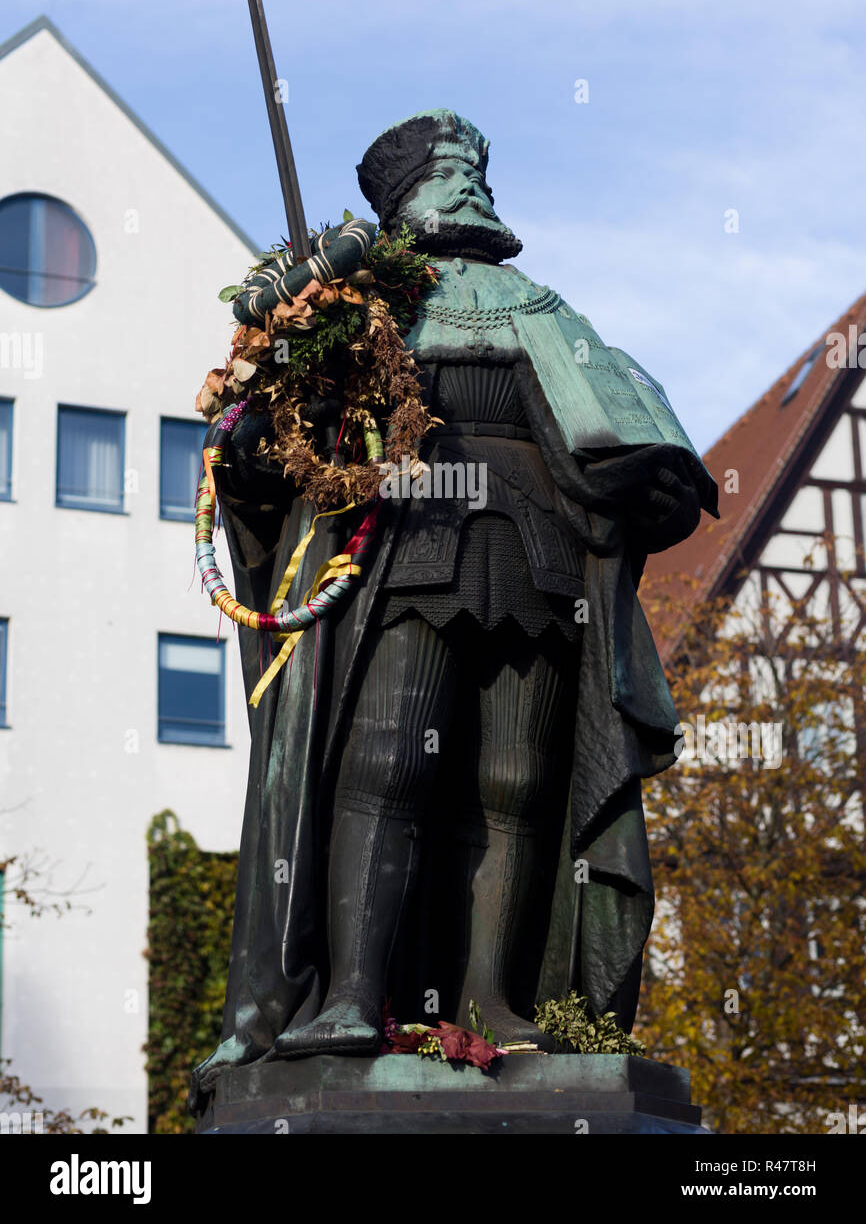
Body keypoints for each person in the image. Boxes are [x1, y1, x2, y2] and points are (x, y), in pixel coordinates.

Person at [189, 109, 716, 1105]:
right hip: (411, 544)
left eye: (473, 168)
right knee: (386, 759)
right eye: (444, 172)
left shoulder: (539, 303)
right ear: (399, 201)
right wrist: (285, 397)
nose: (467, 185)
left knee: (516, 781)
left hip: (534, 555)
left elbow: (621, 426)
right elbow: (265, 446)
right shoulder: (364, 301)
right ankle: (348, 995)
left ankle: (492, 1004)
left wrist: (650, 482)